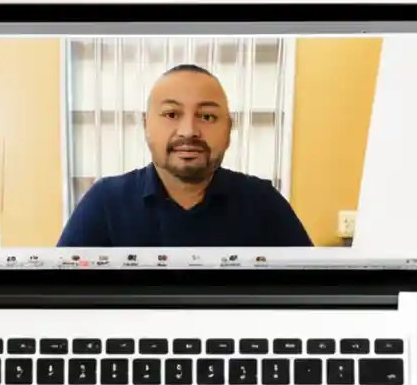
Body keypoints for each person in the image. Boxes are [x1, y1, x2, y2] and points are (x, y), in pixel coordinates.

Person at [57, 63, 313, 248]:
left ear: (228, 130)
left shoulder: (263, 203)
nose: (189, 131)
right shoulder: (105, 201)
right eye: (171, 114)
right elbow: (61, 294)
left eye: (207, 116)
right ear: (146, 125)